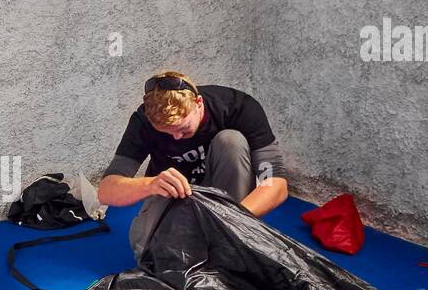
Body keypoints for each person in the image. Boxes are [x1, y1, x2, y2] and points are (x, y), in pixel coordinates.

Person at [97, 71, 289, 258]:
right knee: (150, 252)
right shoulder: (142, 121)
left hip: (225, 201)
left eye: (183, 129)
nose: (177, 137)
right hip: (174, 196)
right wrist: (150, 184)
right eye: (166, 132)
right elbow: (105, 191)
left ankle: (228, 241)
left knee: (231, 141)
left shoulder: (238, 107)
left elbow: (275, 184)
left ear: (198, 103)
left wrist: (232, 219)